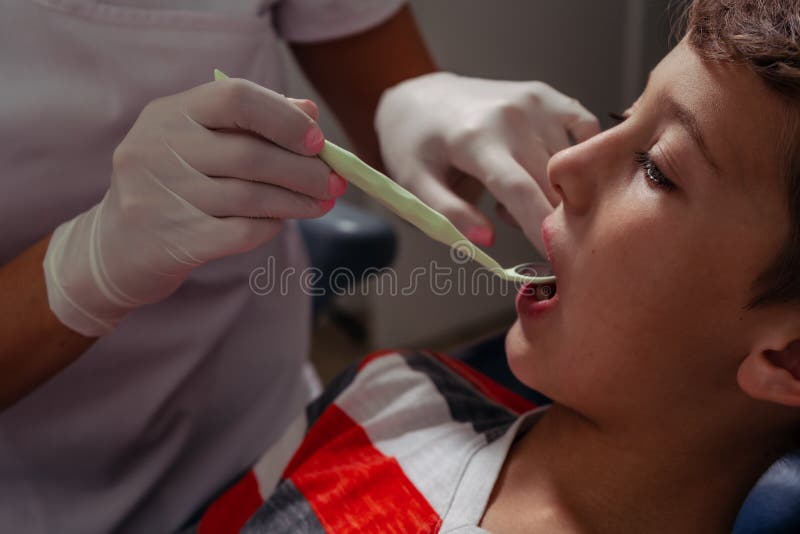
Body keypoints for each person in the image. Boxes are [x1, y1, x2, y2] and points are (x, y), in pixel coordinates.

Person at [193, 0, 800, 532]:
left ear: (787, 358)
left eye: (657, 168)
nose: (567, 165)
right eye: (621, 116)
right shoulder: (390, 395)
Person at [0, 1, 600, 532]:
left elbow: (378, 92)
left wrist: (414, 99)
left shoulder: (384, 398)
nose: (585, 163)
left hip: (261, 424)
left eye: (658, 166)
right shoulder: (392, 397)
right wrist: (85, 265)